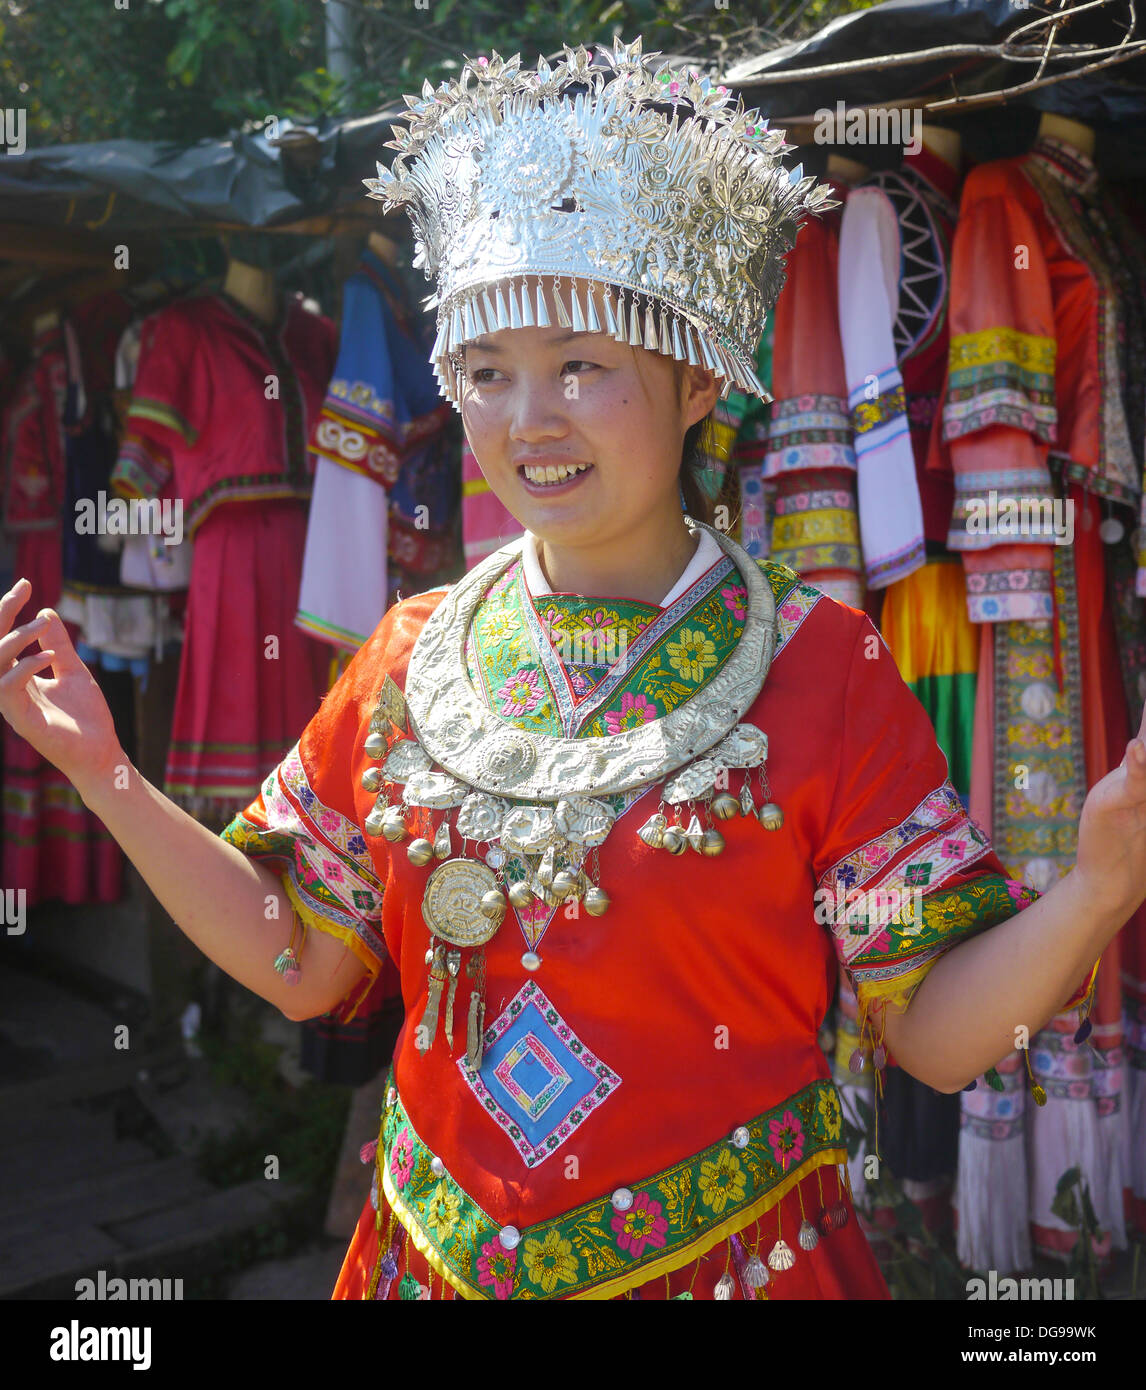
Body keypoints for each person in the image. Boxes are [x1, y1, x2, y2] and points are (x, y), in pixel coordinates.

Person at [2, 35, 1145, 1301]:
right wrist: (106, 775)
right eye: (488, 374)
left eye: (581, 366)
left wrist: (1094, 890)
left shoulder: (823, 670)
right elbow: (305, 961)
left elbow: (930, 1033)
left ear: (699, 373)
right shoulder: (409, 653)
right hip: (428, 1269)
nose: (526, 420)